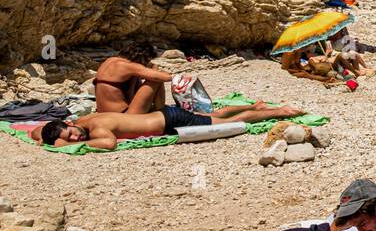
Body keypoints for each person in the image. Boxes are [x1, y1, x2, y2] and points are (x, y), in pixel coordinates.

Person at [33, 102, 304, 150]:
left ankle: (276, 112)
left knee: (229, 122)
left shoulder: (94, 131)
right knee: (213, 115)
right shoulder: (80, 121)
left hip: (170, 121)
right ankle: (256, 107)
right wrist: (49, 138)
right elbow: (38, 131)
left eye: (72, 133)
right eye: (73, 137)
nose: (77, 136)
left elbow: (109, 143)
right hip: (164, 115)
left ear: (68, 124)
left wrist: (71, 144)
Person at [91, 43, 174, 114]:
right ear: (143, 57)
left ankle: (158, 109)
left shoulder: (109, 61)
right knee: (156, 79)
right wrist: (154, 68)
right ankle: (160, 110)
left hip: (103, 114)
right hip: (122, 114)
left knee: (138, 77)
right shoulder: (130, 66)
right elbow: (166, 77)